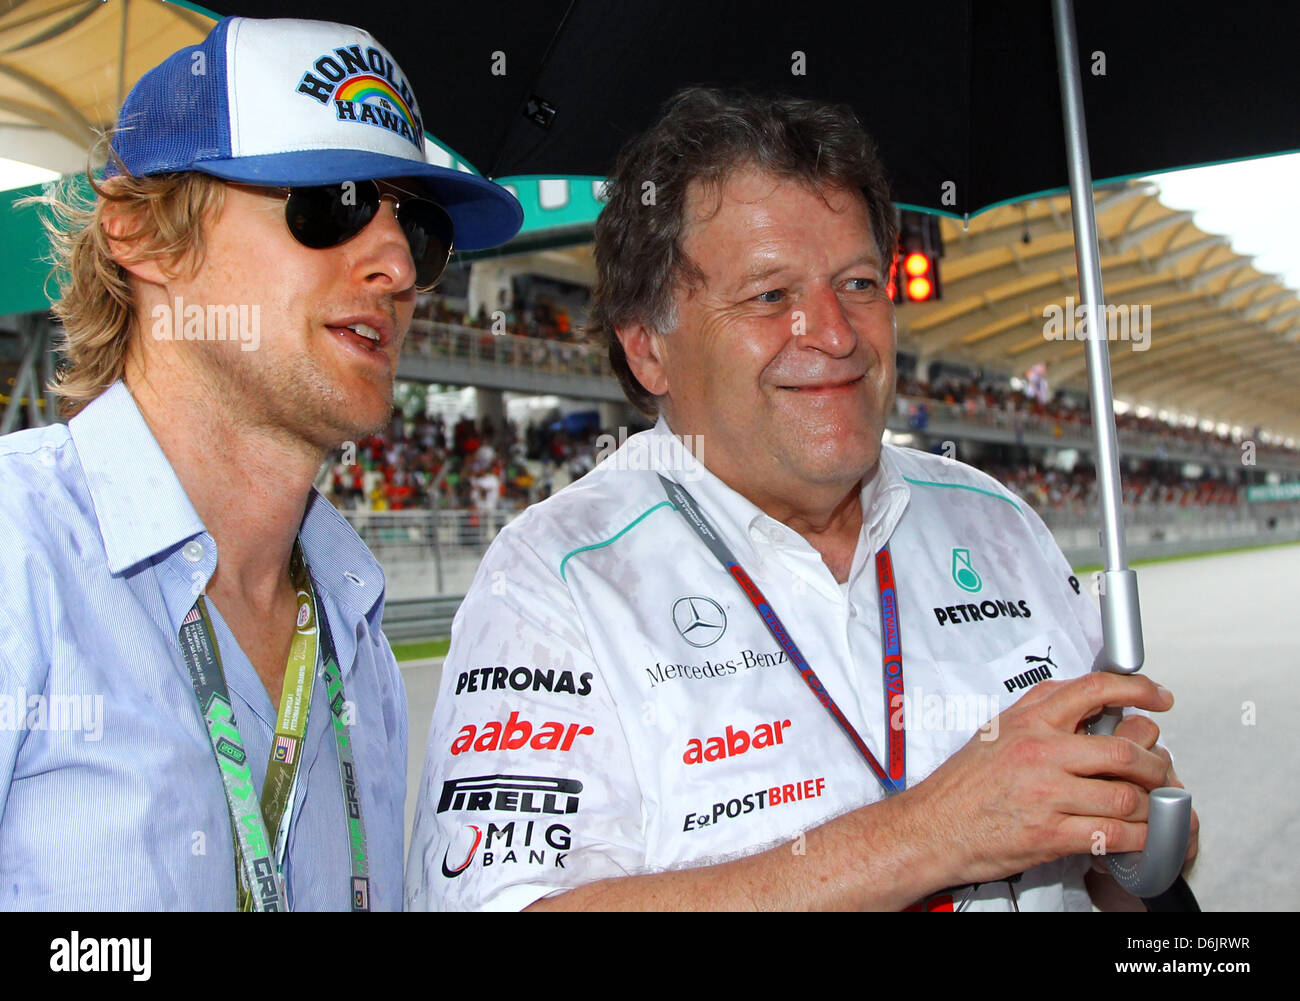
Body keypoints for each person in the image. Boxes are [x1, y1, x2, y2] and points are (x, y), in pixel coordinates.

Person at [405, 88, 1196, 912]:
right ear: (648, 349)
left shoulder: (996, 521)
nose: (834, 331)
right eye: (770, 295)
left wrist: (1134, 834)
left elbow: (1127, 889)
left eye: (857, 281)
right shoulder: (552, 580)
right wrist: (931, 831)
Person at [0, 16, 521, 910]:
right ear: (144, 235)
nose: (398, 264)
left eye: (420, 228)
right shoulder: (19, 552)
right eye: (336, 201)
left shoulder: (354, 631)